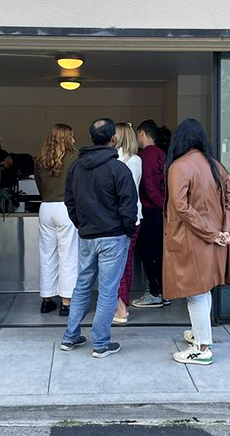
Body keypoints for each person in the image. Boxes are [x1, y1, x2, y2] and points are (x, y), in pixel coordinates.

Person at [163, 118, 230, 365]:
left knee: (195, 293)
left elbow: (181, 208)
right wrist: (226, 231)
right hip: (214, 241)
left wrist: (211, 233)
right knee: (203, 291)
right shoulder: (216, 166)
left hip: (193, 240)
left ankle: (201, 348)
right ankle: (199, 334)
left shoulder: (179, 167)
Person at [62, 118, 138, 357]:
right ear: (113, 139)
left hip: (87, 235)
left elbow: (70, 201)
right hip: (113, 237)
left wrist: (81, 224)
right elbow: (129, 207)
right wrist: (128, 231)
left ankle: (70, 337)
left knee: (82, 286)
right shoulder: (118, 168)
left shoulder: (76, 166)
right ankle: (101, 343)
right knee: (107, 290)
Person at [34, 124, 78, 316]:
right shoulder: (74, 158)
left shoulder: (40, 159)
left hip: (46, 206)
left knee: (47, 255)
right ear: (66, 138)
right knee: (67, 255)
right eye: (72, 136)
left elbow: (39, 185)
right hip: (65, 207)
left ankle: (46, 300)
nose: (74, 140)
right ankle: (66, 303)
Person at [132, 119, 167, 308]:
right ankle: (164, 291)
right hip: (161, 211)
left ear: (142, 133)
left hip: (149, 210)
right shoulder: (163, 155)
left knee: (148, 253)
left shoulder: (144, 157)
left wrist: (159, 204)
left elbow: (147, 184)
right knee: (160, 252)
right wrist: (165, 206)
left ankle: (154, 293)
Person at [113, 122, 143, 324]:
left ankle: (120, 309)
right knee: (126, 262)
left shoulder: (116, 160)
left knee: (116, 264)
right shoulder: (137, 160)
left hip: (119, 217)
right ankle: (123, 303)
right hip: (136, 217)